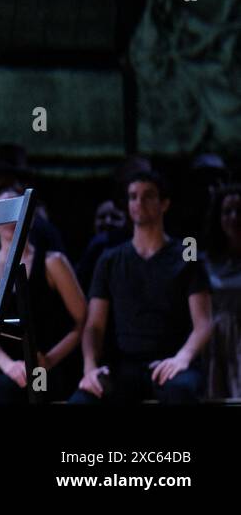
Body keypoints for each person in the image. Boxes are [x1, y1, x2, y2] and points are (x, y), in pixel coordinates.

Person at [69, 170, 213, 404]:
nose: (139, 202)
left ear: (164, 203)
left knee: (181, 392)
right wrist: (89, 368)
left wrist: (182, 358)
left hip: (172, 362)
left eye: (148, 196)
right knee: (82, 400)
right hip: (125, 365)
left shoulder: (186, 256)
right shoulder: (110, 259)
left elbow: (204, 323)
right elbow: (94, 325)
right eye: (133, 196)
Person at [0, 185, 87, 403]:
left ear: (31, 218)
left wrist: (50, 359)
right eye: (5, 211)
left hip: (42, 369)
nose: (12, 218)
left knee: (5, 392)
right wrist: (8, 365)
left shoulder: (53, 262)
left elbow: (82, 320)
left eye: (18, 209)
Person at [200, 182, 241, 399]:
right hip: (215, 342)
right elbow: (182, 252)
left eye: (239, 211)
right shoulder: (203, 257)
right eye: (227, 212)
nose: (234, 217)